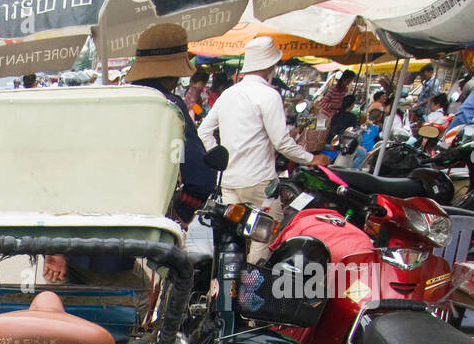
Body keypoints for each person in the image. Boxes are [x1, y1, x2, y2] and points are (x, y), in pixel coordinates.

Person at [44, 24, 219, 284]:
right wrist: (174, 215)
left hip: (67, 241)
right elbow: (200, 179)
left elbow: (61, 172)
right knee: (140, 313)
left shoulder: (104, 102)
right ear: (174, 74)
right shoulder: (168, 110)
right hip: (114, 250)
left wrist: (54, 247)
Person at [198, 37, 326, 261]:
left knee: (230, 244)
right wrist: (311, 159)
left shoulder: (229, 94)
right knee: (262, 239)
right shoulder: (269, 95)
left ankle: (223, 292)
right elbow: (282, 142)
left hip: (229, 181)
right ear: (270, 66)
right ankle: (250, 290)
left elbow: (204, 131)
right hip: (259, 183)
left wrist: (221, 158)